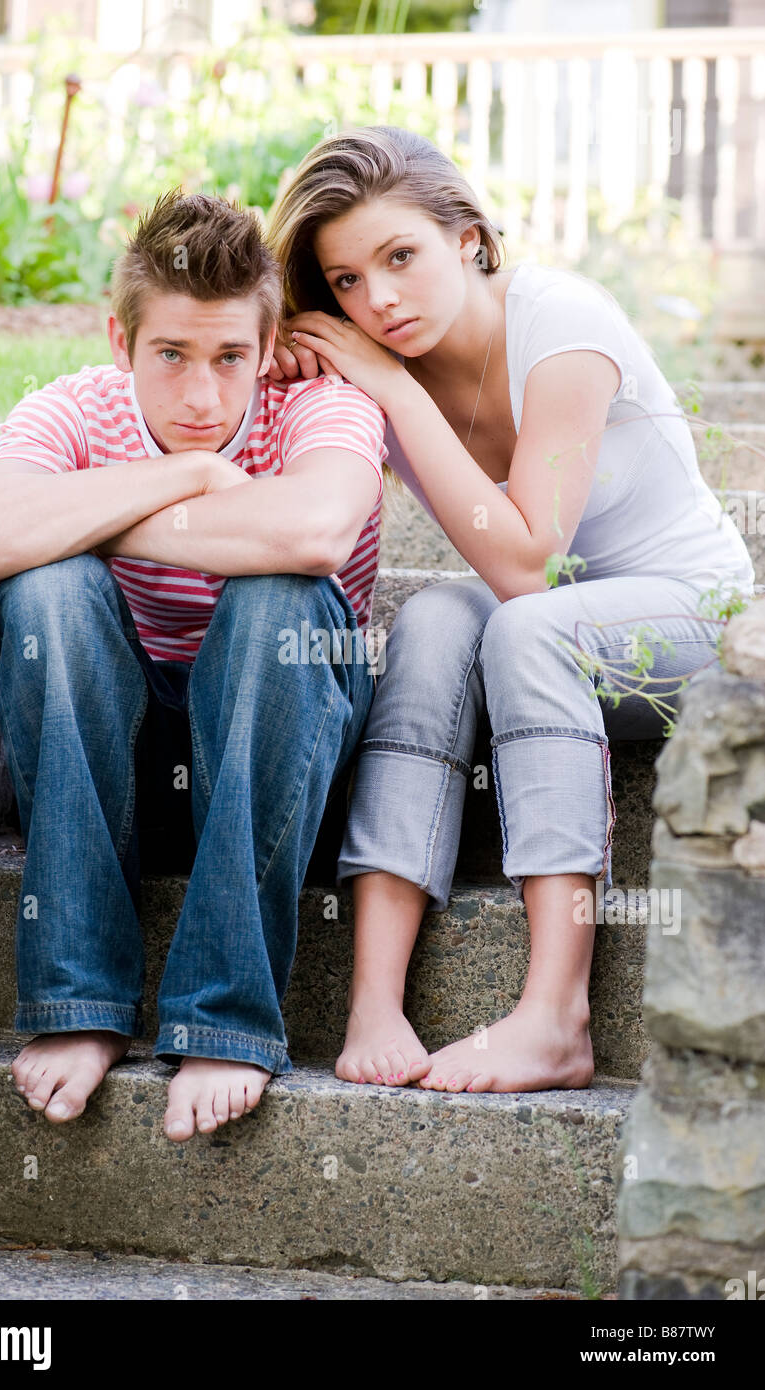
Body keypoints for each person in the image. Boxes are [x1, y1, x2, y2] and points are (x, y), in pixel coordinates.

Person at [264, 124, 756, 1095]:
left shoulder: (561, 326)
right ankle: (373, 997)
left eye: (399, 256)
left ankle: (554, 1015)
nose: (379, 299)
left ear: (471, 240)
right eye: (347, 281)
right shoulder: (376, 361)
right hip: (549, 638)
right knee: (437, 621)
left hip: (691, 618)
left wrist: (394, 393)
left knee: (523, 621)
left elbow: (532, 565)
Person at [0, 189, 387, 1138]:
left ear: (267, 350)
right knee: (46, 592)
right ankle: (77, 1002)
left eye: (231, 357)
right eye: (171, 356)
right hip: (125, 754)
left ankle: (225, 1014)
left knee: (280, 599)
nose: (201, 396)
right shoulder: (72, 408)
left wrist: (96, 519)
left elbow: (312, 530)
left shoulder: (321, 408)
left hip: (278, 746)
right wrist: (191, 475)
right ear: (120, 340)